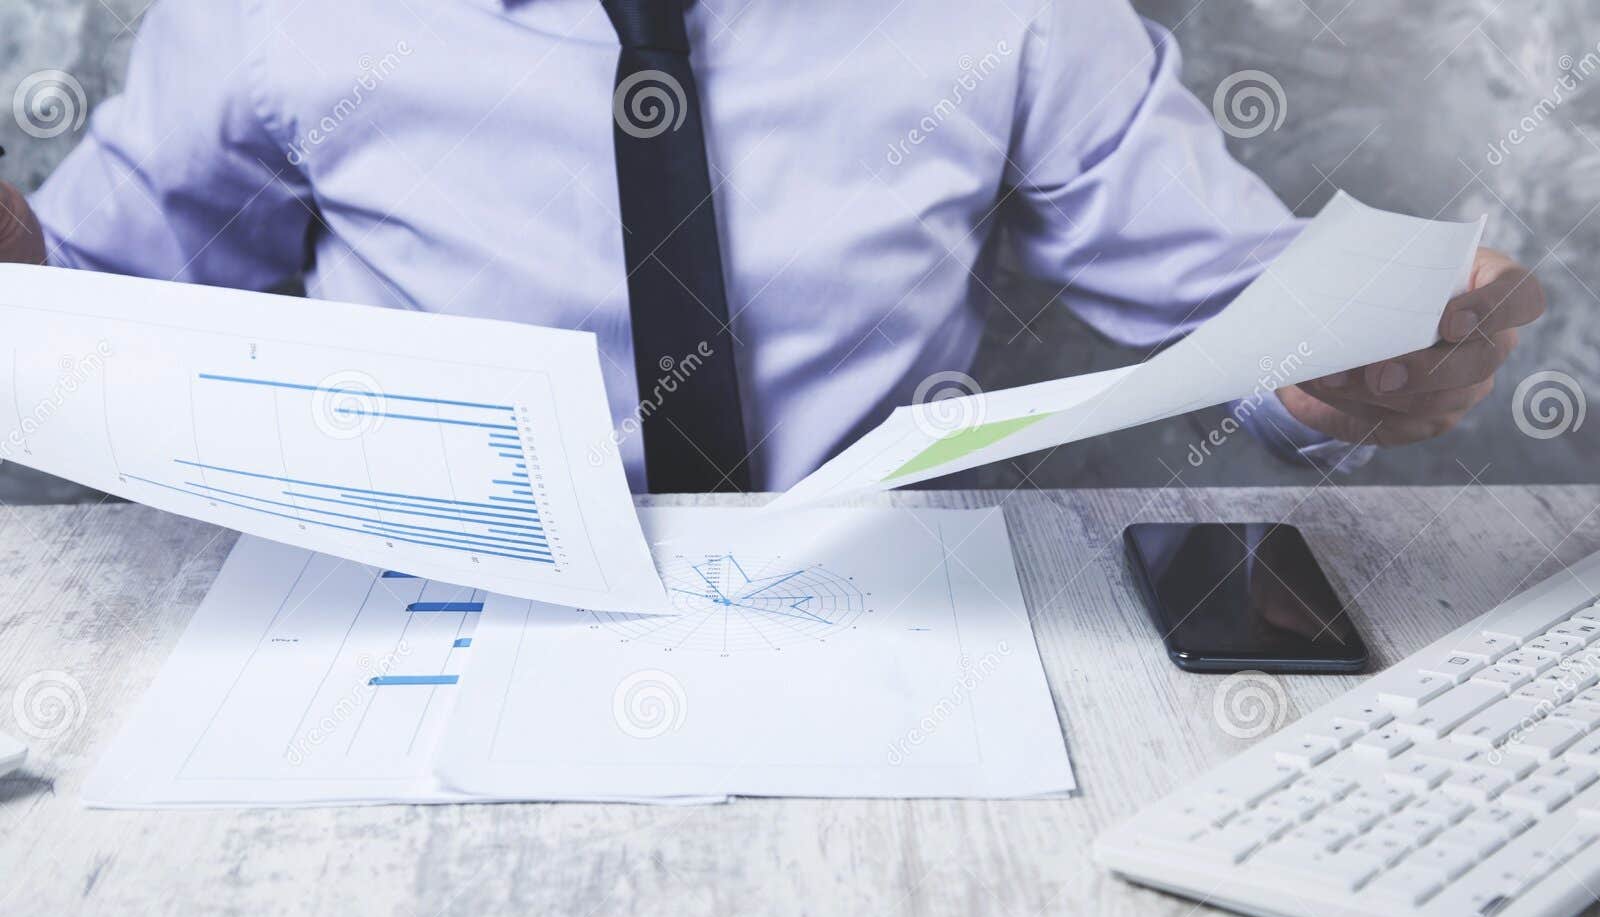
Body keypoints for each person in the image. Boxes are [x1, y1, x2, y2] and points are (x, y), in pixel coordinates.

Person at [0, 0, 1545, 492]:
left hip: (878, 620)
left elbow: (1253, 317)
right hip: (418, 617)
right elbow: (88, 324)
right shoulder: (271, 15)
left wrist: (1355, 362)